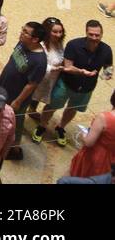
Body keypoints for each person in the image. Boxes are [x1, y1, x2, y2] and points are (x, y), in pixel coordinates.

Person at [37, 19, 112, 148]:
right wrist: (82, 72)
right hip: (66, 83)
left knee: (73, 109)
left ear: (102, 34)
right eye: (91, 34)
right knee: (52, 105)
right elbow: (68, 67)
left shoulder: (106, 50)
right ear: (86, 33)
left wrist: (108, 73)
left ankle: (61, 127)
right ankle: (42, 126)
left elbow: (108, 66)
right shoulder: (74, 45)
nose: (94, 38)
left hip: (87, 88)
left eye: (97, 35)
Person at [0, 21, 48, 161]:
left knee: (15, 123)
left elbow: (32, 84)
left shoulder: (40, 61)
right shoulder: (22, 43)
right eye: (22, 29)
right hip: (3, 87)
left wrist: (18, 101)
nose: (21, 33)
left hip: (16, 97)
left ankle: (14, 148)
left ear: (35, 39)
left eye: (25, 32)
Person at [57, 90, 115, 184]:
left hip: (94, 156)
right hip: (111, 160)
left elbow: (89, 142)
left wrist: (83, 135)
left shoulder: (104, 117)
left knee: (73, 178)